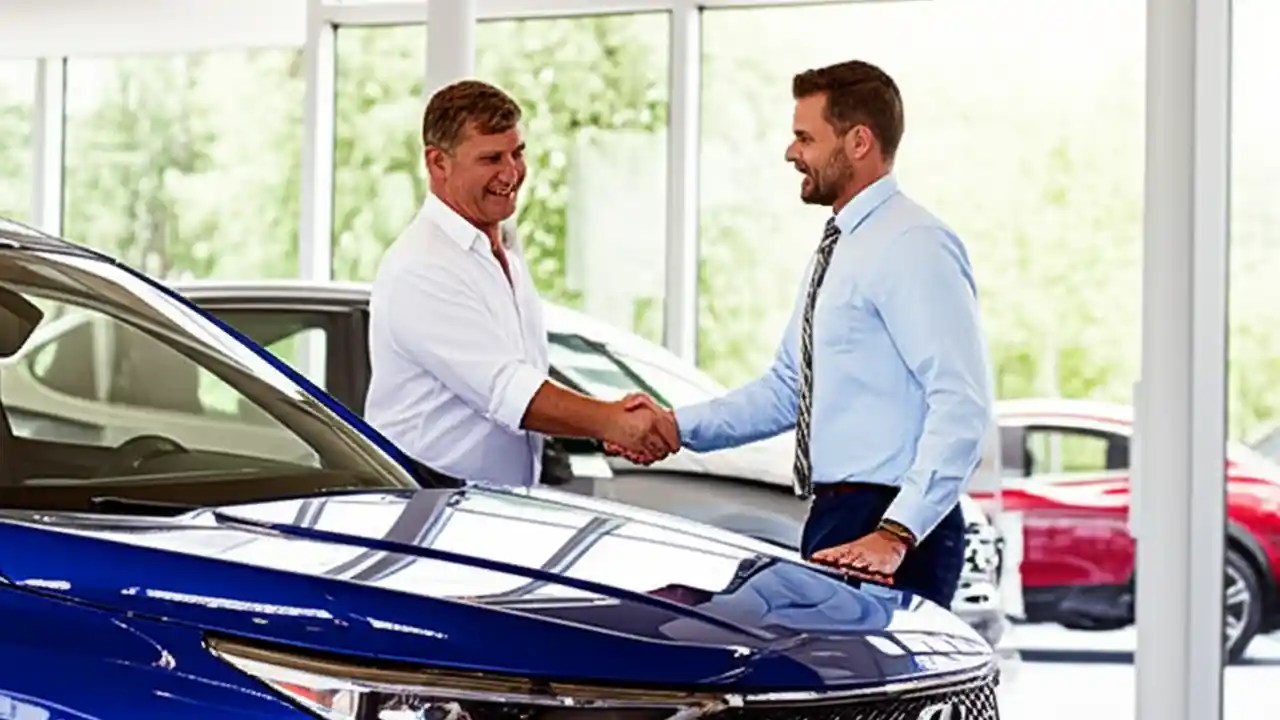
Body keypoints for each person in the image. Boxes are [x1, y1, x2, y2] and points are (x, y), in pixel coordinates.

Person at [610, 60, 993, 609]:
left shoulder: (913, 244)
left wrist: (896, 533)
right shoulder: (842, 245)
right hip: (839, 515)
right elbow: (789, 387)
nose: (792, 153)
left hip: (891, 528)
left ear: (858, 142)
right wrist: (674, 427)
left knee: (872, 695)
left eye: (805, 137)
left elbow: (961, 402)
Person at [364, 79, 677, 489]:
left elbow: (525, 372)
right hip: (430, 505)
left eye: (518, 152)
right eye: (491, 158)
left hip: (492, 504)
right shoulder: (422, 267)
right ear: (438, 163)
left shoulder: (503, 247)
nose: (511, 173)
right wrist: (611, 422)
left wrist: (604, 417)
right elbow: (507, 390)